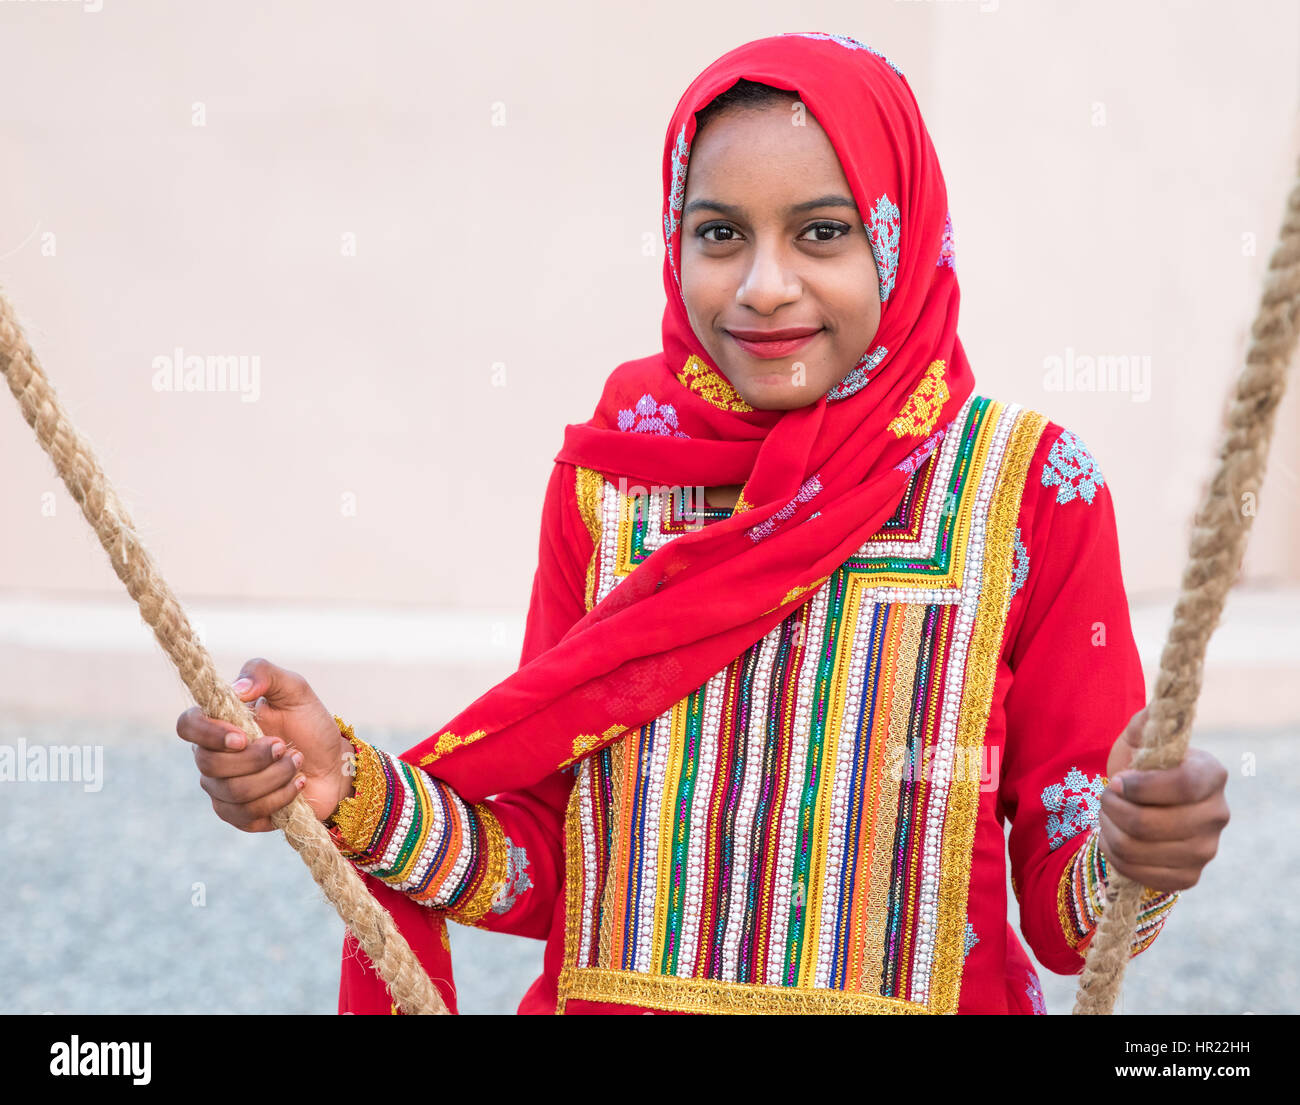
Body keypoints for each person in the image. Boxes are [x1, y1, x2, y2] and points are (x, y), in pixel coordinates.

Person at [177, 32, 1230, 1015]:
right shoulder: (615, 477)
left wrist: (1138, 846)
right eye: (720, 234)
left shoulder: (1031, 488)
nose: (766, 287)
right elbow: (549, 863)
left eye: (823, 232)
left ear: (905, 237)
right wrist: (347, 788)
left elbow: (1068, 922)